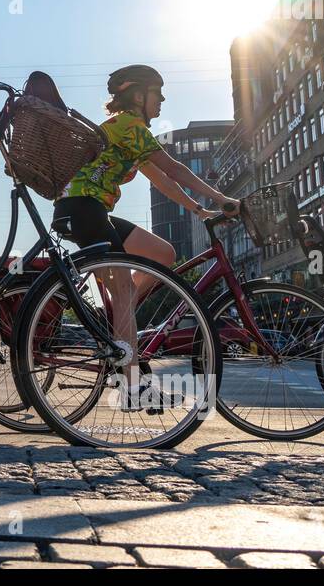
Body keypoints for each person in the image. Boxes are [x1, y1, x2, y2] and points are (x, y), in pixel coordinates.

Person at [52, 64, 238, 408]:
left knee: (163, 254)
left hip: (92, 208)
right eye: (158, 93)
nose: (163, 100)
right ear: (138, 95)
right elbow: (176, 168)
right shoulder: (130, 126)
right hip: (82, 207)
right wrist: (222, 199)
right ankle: (132, 385)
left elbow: (162, 179)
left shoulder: (127, 131)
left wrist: (199, 210)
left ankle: (121, 326)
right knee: (123, 285)